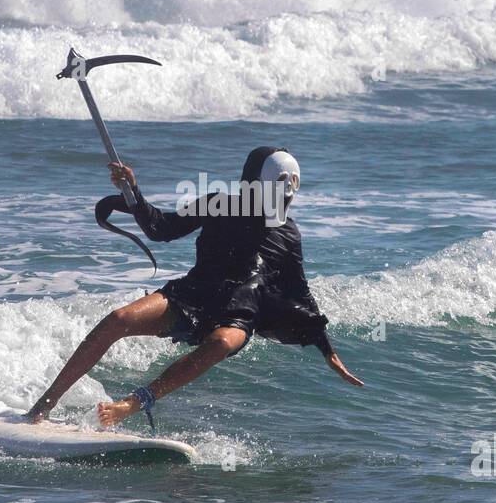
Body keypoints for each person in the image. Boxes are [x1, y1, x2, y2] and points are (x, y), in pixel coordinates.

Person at [25, 146, 363, 427]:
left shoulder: (288, 234)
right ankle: (44, 405)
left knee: (221, 342)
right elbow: (162, 229)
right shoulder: (220, 204)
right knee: (119, 318)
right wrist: (134, 192)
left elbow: (300, 292)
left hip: (239, 315)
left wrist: (326, 348)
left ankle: (133, 404)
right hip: (193, 295)